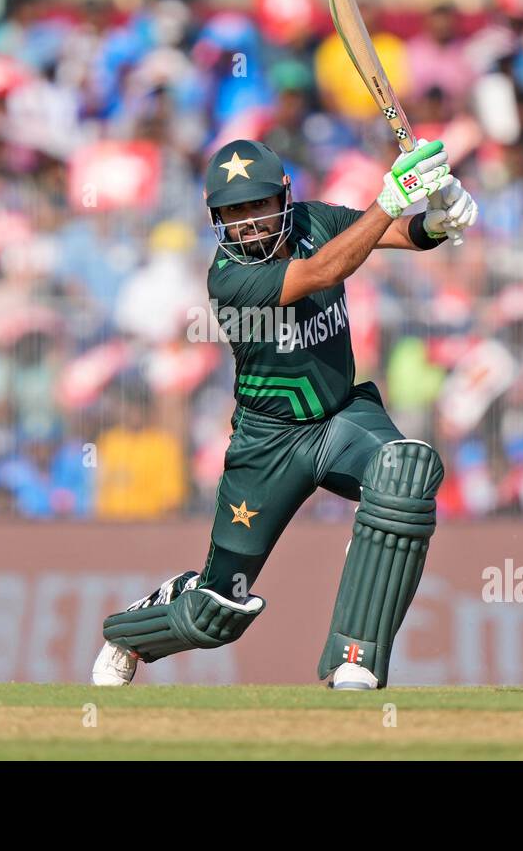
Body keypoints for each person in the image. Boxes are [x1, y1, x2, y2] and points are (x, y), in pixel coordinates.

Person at [91, 137, 478, 690]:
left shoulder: (313, 221)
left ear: (285, 198)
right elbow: (323, 272)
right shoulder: (227, 278)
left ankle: (356, 657)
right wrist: (393, 199)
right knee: (217, 612)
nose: (247, 223)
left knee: (406, 472)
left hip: (342, 418)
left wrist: (438, 220)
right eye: (232, 213)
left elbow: (394, 235)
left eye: (257, 206)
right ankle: (128, 632)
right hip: (268, 444)